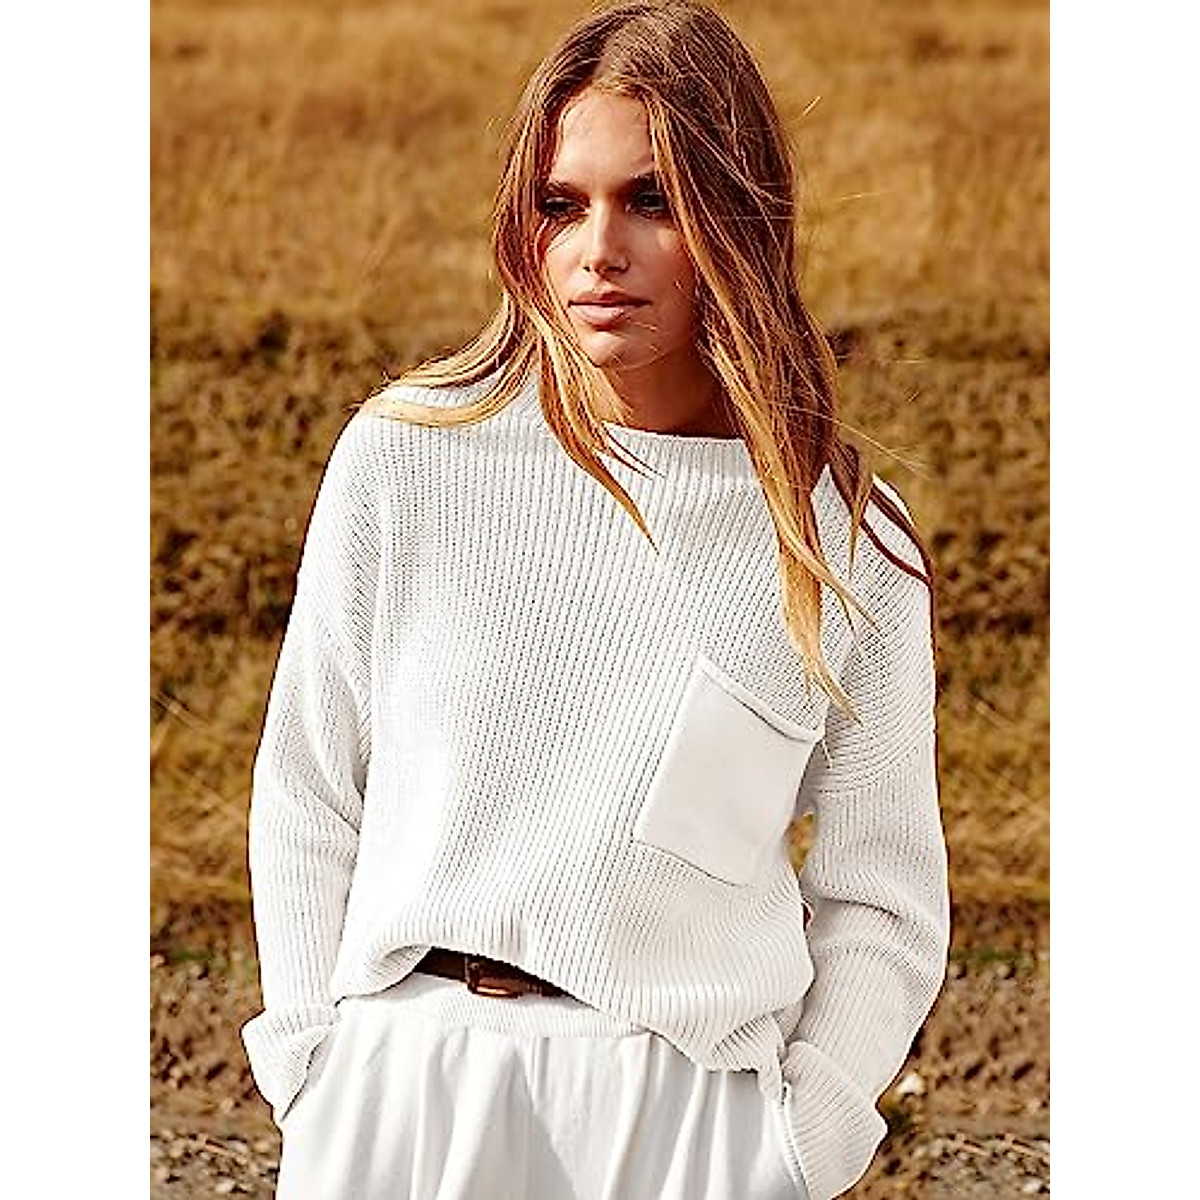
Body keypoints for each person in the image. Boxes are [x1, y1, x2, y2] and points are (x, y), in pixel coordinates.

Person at [241, 3, 950, 1198]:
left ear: (736, 217)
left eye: (652, 201)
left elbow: (884, 897)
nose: (597, 250)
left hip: (685, 1124)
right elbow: (309, 785)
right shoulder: (408, 460)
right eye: (562, 203)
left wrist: (803, 1139)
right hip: (401, 1094)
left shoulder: (840, 541)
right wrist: (314, 1067)